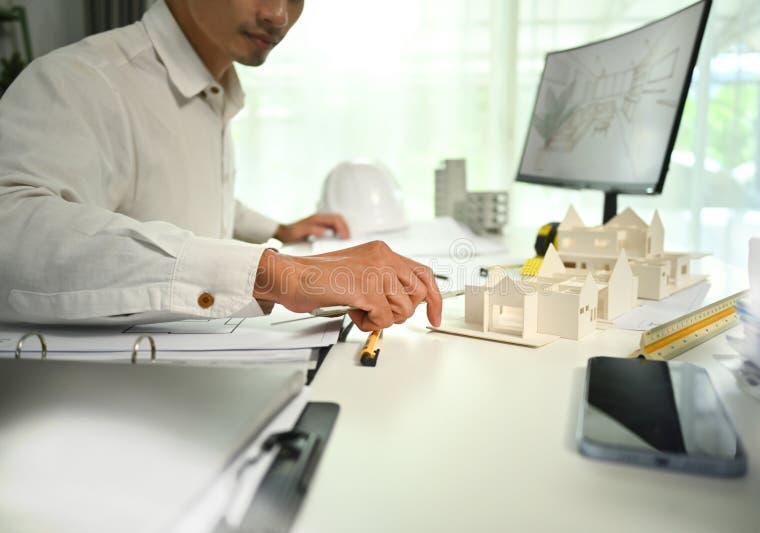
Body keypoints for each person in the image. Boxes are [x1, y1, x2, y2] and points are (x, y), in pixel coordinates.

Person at [0, 0, 442, 332]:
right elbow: (10, 228)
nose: (278, 15)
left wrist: (278, 229)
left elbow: (174, 191)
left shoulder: (210, 88)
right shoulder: (82, 80)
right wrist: (279, 273)